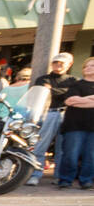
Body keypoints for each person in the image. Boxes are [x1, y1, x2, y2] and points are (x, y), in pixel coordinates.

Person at [33, 53, 77, 185]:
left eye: (61, 63)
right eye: (55, 62)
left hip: (66, 114)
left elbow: (70, 96)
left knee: (62, 147)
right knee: (40, 145)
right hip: (47, 113)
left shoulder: (74, 80)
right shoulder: (42, 79)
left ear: (69, 64)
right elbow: (44, 92)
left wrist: (54, 90)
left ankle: (59, 176)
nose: (58, 65)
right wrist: (64, 92)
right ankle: (35, 174)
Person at [57, 56, 94, 190]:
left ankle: (86, 181)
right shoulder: (76, 84)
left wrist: (81, 100)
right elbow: (69, 101)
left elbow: (76, 101)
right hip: (74, 125)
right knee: (70, 154)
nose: (89, 68)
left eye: (92, 66)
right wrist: (91, 99)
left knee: (91, 156)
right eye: (86, 66)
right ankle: (65, 180)